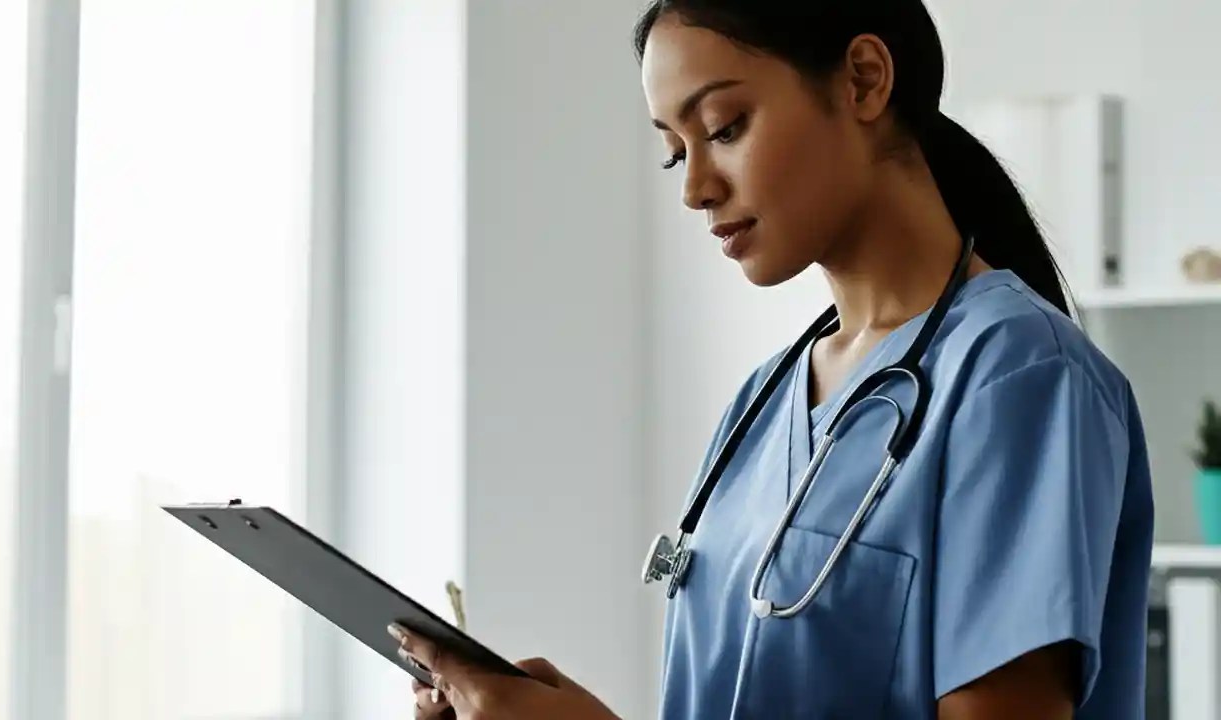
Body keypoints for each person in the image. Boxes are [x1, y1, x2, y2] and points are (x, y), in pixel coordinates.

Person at [394, 0, 1155, 717]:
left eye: (723, 127)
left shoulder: (1019, 378)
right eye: (673, 153)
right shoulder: (762, 402)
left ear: (863, 80)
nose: (694, 188)